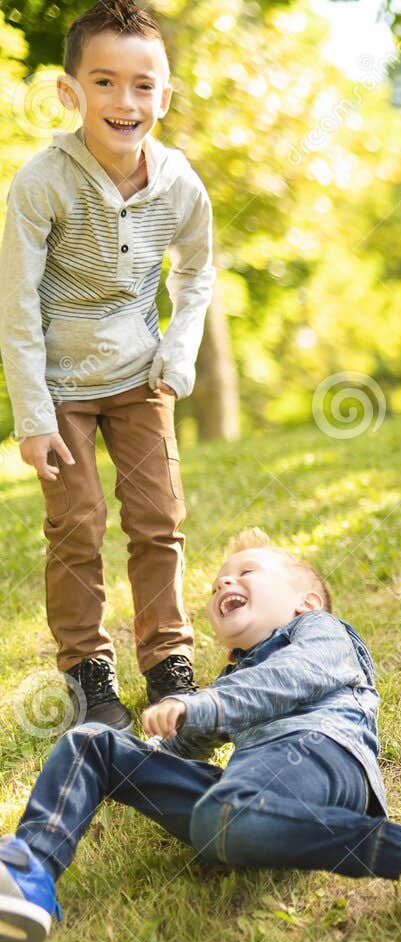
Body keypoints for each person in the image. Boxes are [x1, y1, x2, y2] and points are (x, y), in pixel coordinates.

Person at [0, 530, 401, 942]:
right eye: (216, 586)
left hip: (322, 757)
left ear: (305, 602)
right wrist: (140, 764)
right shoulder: (236, 677)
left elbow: (284, 683)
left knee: (225, 815)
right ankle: (30, 874)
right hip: (248, 790)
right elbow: (191, 744)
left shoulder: (321, 633)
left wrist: (199, 702)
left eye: (245, 572)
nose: (223, 586)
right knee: (93, 743)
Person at [0, 0, 215, 727]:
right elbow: (18, 307)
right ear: (70, 92)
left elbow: (197, 275)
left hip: (141, 376)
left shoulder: (180, 182)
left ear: (165, 93)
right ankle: (89, 673)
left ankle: (167, 663)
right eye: (104, 82)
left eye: (143, 85)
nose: (125, 102)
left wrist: (176, 360)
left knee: (159, 519)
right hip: (60, 384)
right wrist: (33, 419)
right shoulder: (40, 185)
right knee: (78, 524)